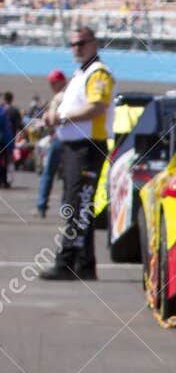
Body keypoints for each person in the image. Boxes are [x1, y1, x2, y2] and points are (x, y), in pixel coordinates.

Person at [41, 27, 113, 282]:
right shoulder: (81, 74)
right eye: (72, 44)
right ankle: (85, 263)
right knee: (81, 205)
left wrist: (61, 117)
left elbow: (97, 107)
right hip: (76, 148)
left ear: (94, 43)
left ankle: (67, 262)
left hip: (87, 147)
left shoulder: (98, 73)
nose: (76, 48)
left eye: (81, 43)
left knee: (76, 204)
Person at [35, 68, 67, 218]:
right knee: (67, 175)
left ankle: (42, 205)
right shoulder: (71, 94)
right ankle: (66, 208)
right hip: (69, 139)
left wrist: (47, 119)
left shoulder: (59, 97)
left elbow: (52, 120)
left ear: (61, 82)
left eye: (54, 82)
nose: (51, 86)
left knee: (49, 172)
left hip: (60, 138)